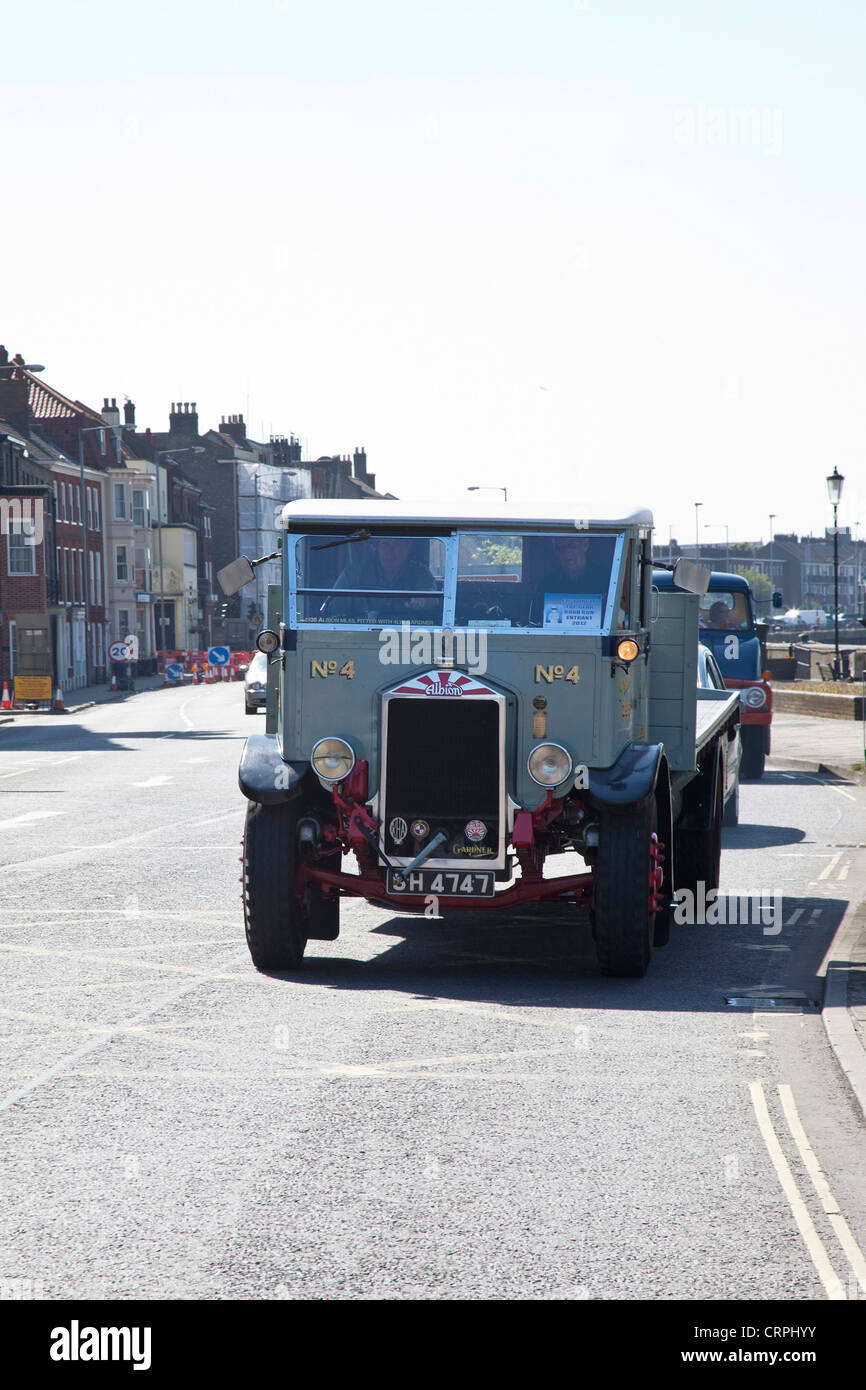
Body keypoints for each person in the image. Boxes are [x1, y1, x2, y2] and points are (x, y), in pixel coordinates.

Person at [322, 537, 440, 621]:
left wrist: (422, 602)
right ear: (377, 547)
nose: (390, 552)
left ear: (407, 547)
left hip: (406, 633)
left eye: (397, 546)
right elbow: (333, 608)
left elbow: (433, 600)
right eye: (385, 545)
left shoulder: (420, 573)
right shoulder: (353, 574)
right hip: (360, 632)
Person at [528, 536, 612, 626]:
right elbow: (535, 621)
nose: (566, 553)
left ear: (585, 545)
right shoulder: (546, 584)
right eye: (560, 548)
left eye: (572, 546)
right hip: (555, 638)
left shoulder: (606, 580)